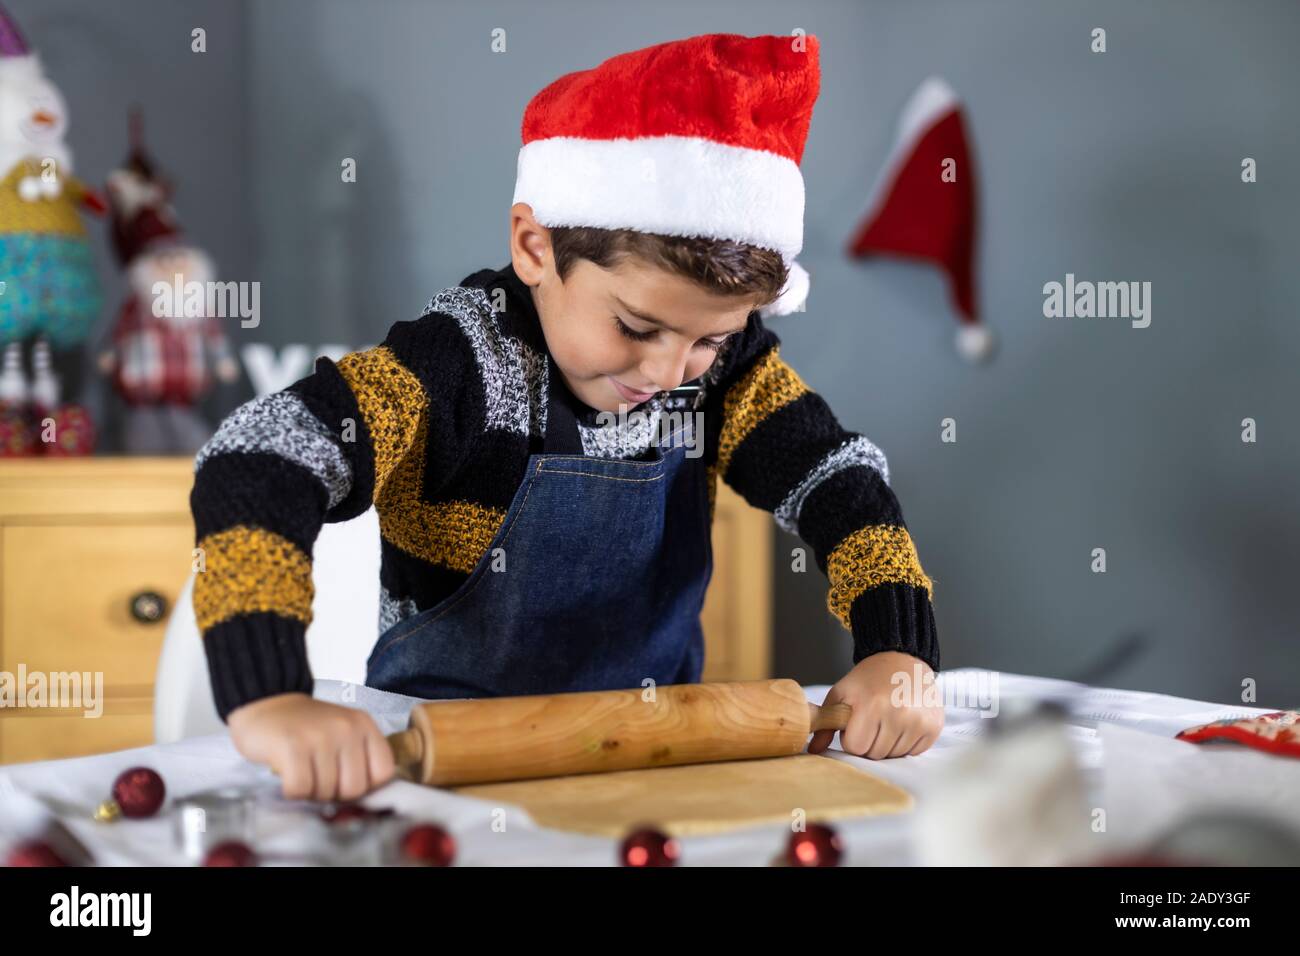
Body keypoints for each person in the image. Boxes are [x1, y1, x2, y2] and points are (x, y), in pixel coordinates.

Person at [191, 33, 943, 802]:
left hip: (654, 755)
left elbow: (838, 478)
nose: (666, 372)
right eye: (637, 327)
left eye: (709, 339)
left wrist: (897, 646)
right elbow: (257, 457)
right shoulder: (458, 364)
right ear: (534, 249)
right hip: (441, 765)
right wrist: (270, 689)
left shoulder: (728, 372)